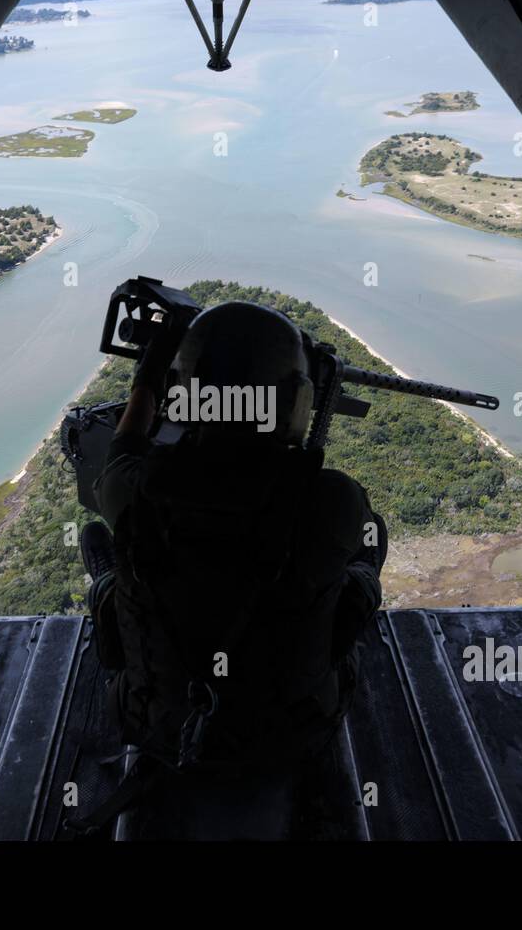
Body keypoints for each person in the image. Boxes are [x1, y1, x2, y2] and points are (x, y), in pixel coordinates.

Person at [80, 301, 386, 774]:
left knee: (112, 568)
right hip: (293, 736)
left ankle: (108, 584)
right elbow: (291, 480)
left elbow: (125, 446)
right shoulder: (332, 501)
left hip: (155, 727)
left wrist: (148, 375)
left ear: (181, 395)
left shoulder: (134, 492)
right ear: (293, 402)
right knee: (365, 554)